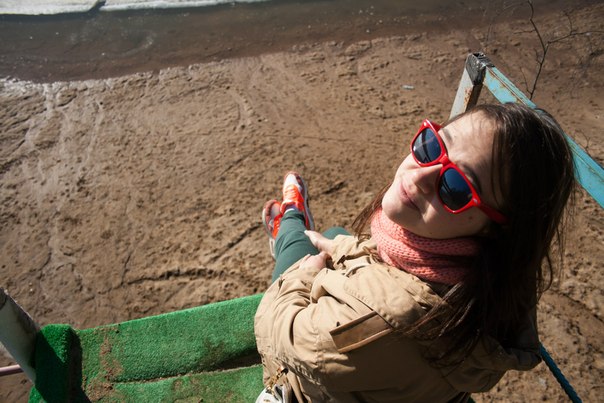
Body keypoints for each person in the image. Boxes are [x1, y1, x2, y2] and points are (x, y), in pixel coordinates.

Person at [254, 103, 576, 402]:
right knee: (334, 234)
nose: (420, 176)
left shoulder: (384, 325)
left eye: (456, 186)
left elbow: (279, 332)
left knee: (296, 243)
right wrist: (338, 246)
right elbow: (376, 261)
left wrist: (302, 277)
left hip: (302, 389)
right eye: (433, 146)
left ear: (493, 230)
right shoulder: (492, 281)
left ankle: (290, 215)